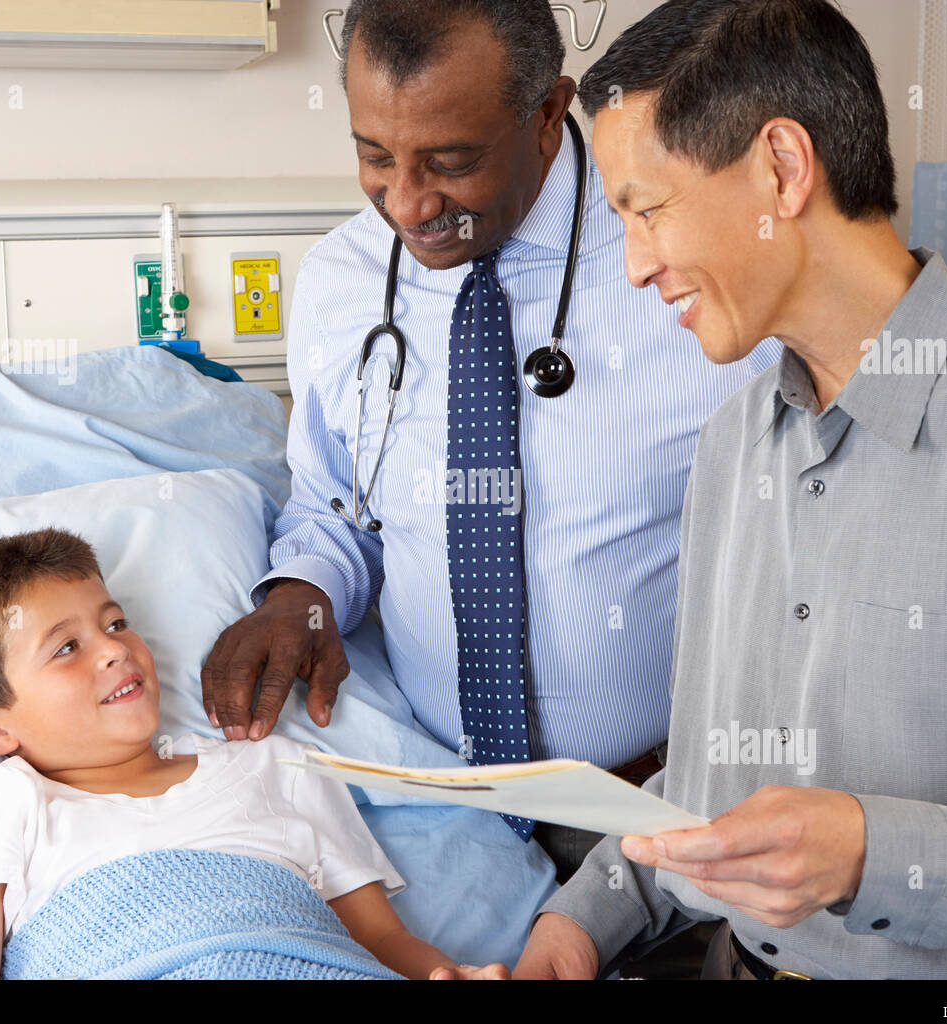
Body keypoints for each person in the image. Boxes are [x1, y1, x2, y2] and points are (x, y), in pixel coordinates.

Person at [515, 0, 947, 980]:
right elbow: (716, 780)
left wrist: (876, 851)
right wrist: (587, 914)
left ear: (782, 170)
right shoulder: (728, 447)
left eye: (646, 209)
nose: (632, 265)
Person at [199, 0, 780, 876]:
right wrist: (298, 596)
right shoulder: (338, 285)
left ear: (549, 113)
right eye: (374, 156)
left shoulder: (685, 265)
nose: (408, 201)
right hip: (439, 808)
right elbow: (336, 510)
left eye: (452, 161)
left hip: (660, 809)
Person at [0, 528, 508, 980]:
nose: (114, 651)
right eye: (66, 647)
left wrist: (448, 975)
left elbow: (380, 940)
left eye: (115, 623)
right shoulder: (1, 798)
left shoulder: (274, 767)